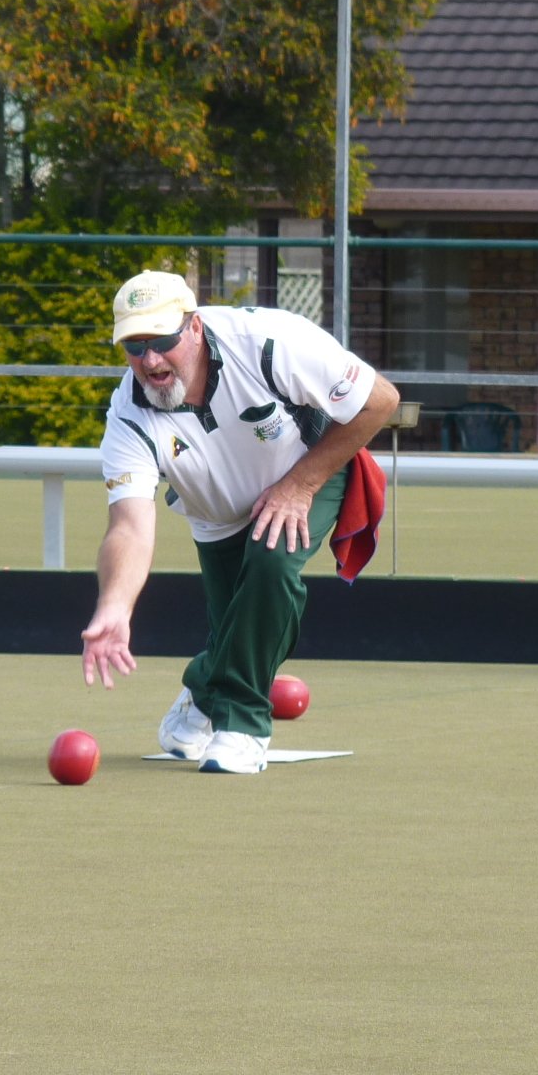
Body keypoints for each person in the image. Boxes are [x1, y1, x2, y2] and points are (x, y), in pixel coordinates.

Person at [81, 270, 401, 773]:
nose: (150, 361)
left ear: (195, 328)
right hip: (216, 517)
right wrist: (115, 608)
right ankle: (205, 689)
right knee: (239, 624)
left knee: (272, 566)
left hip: (308, 470)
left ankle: (244, 726)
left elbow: (381, 400)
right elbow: (129, 527)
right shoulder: (127, 416)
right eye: (134, 347)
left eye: (163, 341)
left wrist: (299, 486)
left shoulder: (270, 342)